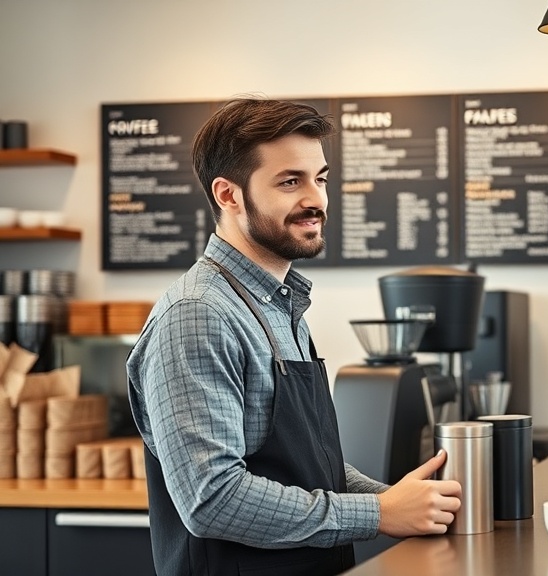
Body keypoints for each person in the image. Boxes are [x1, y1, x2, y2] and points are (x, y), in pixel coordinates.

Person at [127, 97, 461, 576]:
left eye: (320, 178)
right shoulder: (198, 314)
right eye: (290, 181)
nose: (317, 200)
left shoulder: (279, 305)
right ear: (229, 195)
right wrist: (380, 514)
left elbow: (306, 467)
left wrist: (402, 500)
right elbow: (212, 498)